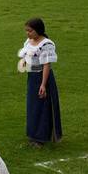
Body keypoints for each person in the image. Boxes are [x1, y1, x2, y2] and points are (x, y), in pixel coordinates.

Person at [17, 17, 62, 146]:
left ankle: (41, 137)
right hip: (32, 77)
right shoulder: (29, 42)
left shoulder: (46, 44)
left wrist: (43, 84)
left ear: (38, 30)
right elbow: (26, 57)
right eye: (26, 31)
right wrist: (22, 65)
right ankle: (33, 135)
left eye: (30, 31)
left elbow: (47, 65)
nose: (28, 33)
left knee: (42, 107)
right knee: (33, 106)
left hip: (42, 78)